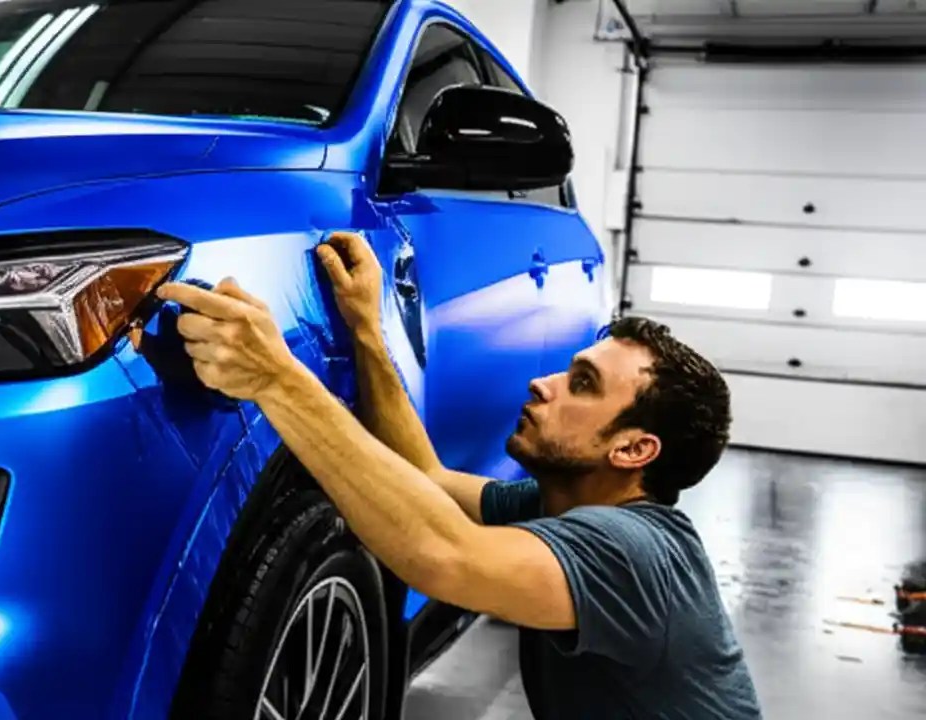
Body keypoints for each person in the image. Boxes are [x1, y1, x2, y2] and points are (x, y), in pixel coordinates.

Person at [156, 231, 762, 719]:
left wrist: (277, 380)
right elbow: (424, 478)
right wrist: (368, 330)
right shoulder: (564, 509)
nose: (542, 383)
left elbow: (441, 554)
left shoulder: (635, 554)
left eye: (582, 384)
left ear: (634, 450)